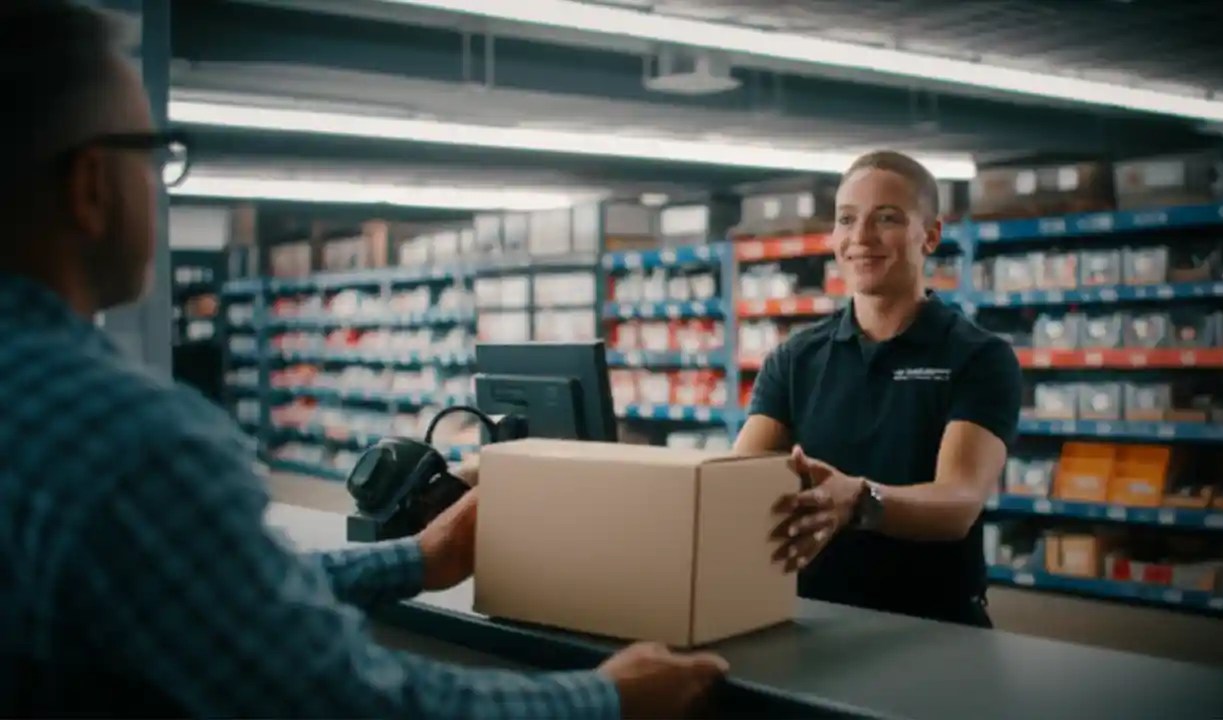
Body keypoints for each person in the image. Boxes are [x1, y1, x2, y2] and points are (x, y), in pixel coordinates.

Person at [0, 2, 727, 717]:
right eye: (156, 154)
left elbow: (204, 591)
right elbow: (341, 697)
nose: (159, 182)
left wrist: (415, 559)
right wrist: (606, 699)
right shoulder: (133, 444)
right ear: (92, 185)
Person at [736, 150, 1022, 628]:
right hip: (809, 618)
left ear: (929, 235)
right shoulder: (795, 359)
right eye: (847, 219)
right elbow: (738, 477)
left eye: (886, 218)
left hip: (934, 629)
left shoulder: (978, 357)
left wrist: (859, 500)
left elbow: (958, 501)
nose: (861, 238)